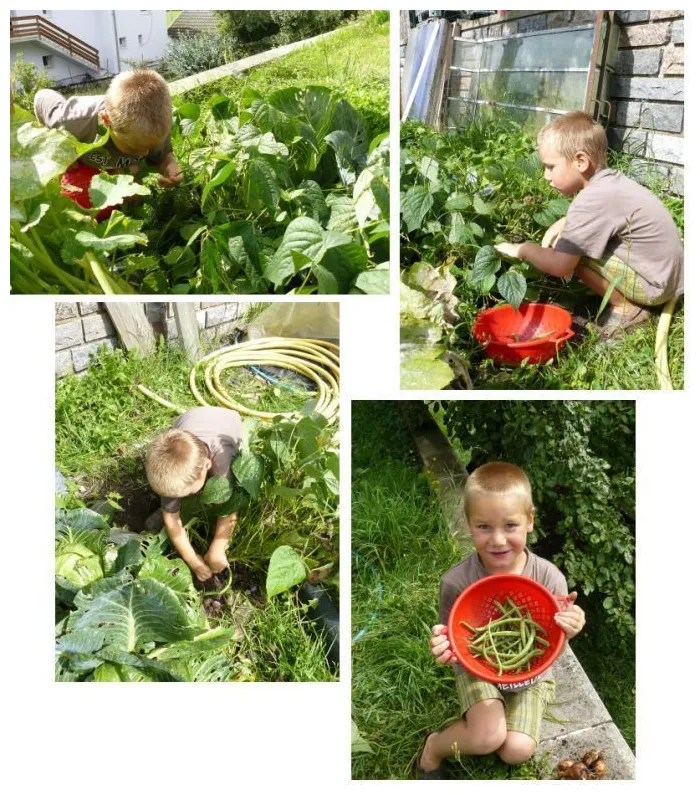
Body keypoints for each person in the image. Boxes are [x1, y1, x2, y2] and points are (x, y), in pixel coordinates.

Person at [415, 462, 585, 779]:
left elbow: (550, 645)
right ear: (468, 524)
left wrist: (570, 628)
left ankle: (499, 715)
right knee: (487, 738)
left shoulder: (549, 578)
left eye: (510, 526)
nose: (497, 540)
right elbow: (452, 637)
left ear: (529, 520)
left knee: (516, 750)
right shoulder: (456, 582)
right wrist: (442, 646)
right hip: (479, 666)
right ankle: (434, 747)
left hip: (531, 674)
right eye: (483, 527)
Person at [494, 111, 683, 335]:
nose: (546, 176)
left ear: (581, 161)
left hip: (655, 286)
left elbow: (560, 266)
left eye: (550, 167)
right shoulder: (609, 183)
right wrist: (564, 221)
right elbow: (605, 215)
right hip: (670, 275)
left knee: (574, 255)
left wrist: (523, 249)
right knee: (574, 240)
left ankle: (627, 310)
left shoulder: (590, 200)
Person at [34, 69, 183, 187]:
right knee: (78, 189)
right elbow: (42, 97)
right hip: (83, 161)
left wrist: (170, 166)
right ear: (106, 121)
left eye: (150, 146)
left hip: (114, 160)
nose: (145, 153)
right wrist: (58, 148)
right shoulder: (72, 121)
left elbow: (162, 157)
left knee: (132, 188)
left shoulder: (155, 124)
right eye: (133, 147)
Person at [145, 406, 243, 584]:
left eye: (188, 492)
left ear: (206, 466)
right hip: (190, 416)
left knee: (229, 485)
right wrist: (192, 560)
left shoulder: (222, 463)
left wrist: (218, 548)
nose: (177, 499)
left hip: (228, 421)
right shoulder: (173, 476)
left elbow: (229, 509)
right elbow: (171, 519)